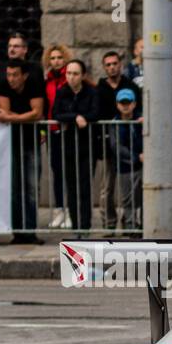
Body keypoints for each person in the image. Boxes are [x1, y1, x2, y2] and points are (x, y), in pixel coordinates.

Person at [0, 60, 45, 241]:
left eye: (15, 75)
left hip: (31, 142)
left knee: (31, 188)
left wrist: (13, 117)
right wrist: (24, 117)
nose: (11, 79)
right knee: (14, 188)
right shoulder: (3, 85)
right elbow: (3, 114)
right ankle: (17, 232)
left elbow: (38, 113)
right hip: (11, 144)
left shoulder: (34, 84)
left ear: (24, 75)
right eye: (9, 74)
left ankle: (29, 231)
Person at [51, 59, 99, 233]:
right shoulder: (62, 92)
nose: (71, 77)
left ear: (83, 75)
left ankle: (85, 225)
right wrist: (75, 117)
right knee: (71, 187)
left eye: (75, 74)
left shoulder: (91, 92)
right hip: (69, 145)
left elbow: (95, 112)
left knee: (85, 186)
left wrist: (82, 117)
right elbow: (56, 113)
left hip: (87, 145)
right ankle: (76, 225)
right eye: (68, 73)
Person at [96, 50, 139, 232]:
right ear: (104, 67)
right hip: (106, 144)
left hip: (129, 144)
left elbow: (140, 109)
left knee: (131, 187)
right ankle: (109, 222)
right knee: (107, 187)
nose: (112, 67)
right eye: (108, 64)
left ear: (120, 65)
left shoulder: (130, 85)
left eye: (115, 63)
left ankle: (130, 221)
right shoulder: (100, 88)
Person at [43, 43, 71, 228]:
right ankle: (59, 210)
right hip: (52, 130)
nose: (56, 61)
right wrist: (44, 130)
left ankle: (70, 211)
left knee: (70, 171)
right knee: (57, 171)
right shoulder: (47, 82)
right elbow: (46, 107)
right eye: (52, 58)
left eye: (59, 57)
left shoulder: (69, 79)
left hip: (68, 131)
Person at [109, 88, 143, 231]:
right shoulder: (114, 123)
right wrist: (136, 157)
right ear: (117, 105)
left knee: (143, 197)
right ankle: (130, 226)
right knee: (127, 198)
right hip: (124, 165)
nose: (125, 106)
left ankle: (144, 226)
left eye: (128, 103)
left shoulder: (142, 119)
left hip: (142, 165)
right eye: (122, 103)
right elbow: (115, 146)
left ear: (134, 104)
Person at [0, 32, 45, 101]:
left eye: (16, 46)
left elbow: (42, 96)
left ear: (25, 49)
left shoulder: (35, 70)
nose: (11, 49)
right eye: (10, 46)